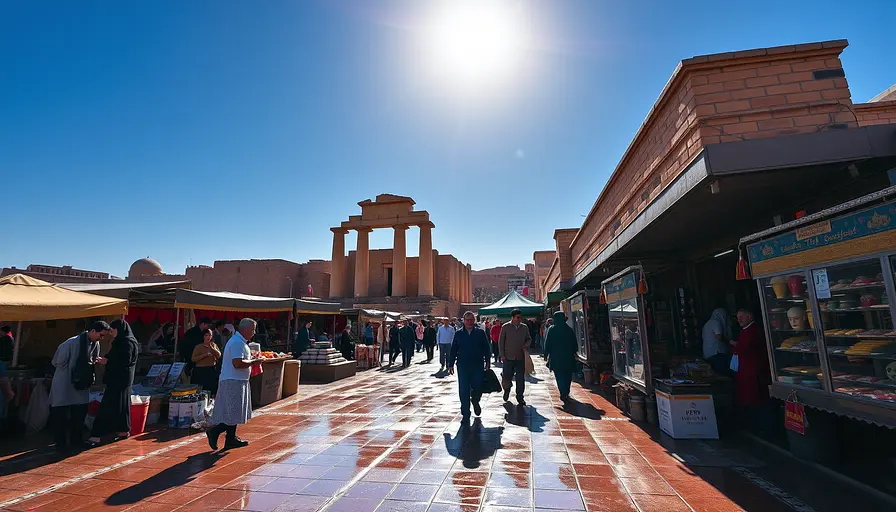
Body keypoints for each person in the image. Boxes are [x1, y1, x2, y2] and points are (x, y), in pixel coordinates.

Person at [50, 321, 110, 452]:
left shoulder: (95, 344)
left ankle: (76, 440)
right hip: (65, 382)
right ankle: (60, 443)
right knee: (60, 414)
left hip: (82, 384)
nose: (102, 338)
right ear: (93, 331)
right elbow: (58, 362)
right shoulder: (70, 343)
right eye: (101, 335)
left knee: (79, 413)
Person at [207, 318, 258, 450]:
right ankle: (215, 431)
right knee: (232, 412)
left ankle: (231, 438)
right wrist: (254, 362)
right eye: (253, 329)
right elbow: (237, 363)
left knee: (235, 411)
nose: (254, 332)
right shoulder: (237, 343)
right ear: (245, 329)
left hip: (237, 380)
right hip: (232, 380)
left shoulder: (241, 342)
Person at [87, 320, 139, 446]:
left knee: (107, 405)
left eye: (112, 330)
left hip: (119, 379)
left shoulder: (127, 343)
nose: (111, 333)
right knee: (121, 405)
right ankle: (123, 430)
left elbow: (124, 361)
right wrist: (106, 359)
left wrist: (107, 362)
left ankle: (96, 435)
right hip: (122, 379)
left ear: (119, 329)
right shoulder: (123, 341)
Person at [731, 309, 772, 431]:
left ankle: (762, 427)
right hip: (746, 371)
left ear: (749, 317)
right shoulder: (746, 331)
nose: (739, 320)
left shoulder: (753, 330)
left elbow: (745, 348)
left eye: (741, 317)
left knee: (757, 399)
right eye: (738, 317)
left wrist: (733, 344)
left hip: (754, 372)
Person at [448, 311, 491, 421]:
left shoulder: (480, 333)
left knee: (478, 386)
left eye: (471, 320)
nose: (469, 322)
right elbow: (453, 349)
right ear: (463, 320)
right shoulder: (458, 334)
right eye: (467, 320)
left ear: (474, 320)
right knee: (463, 389)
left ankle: (475, 400)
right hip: (463, 365)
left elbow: (486, 347)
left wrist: (488, 361)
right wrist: (451, 364)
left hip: (477, 364)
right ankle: (465, 412)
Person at [498, 309, 532, 406]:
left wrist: (526, 345)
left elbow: (529, 338)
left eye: (521, 317)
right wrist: (502, 354)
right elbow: (501, 342)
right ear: (512, 317)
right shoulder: (505, 327)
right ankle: (507, 390)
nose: (519, 319)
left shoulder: (524, 327)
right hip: (508, 357)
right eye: (518, 317)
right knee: (507, 376)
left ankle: (520, 397)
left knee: (520, 378)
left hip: (520, 357)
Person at [543, 311, 578, 403]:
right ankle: (566, 391)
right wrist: (574, 352)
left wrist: (546, 354)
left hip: (556, 357)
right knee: (568, 375)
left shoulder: (551, 329)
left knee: (559, 376)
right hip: (568, 357)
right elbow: (574, 344)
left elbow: (547, 342)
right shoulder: (569, 329)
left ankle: (563, 393)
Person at [191, 328, 222, 395]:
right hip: (201, 371)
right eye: (206, 335)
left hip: (211, 369)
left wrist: (214, 350)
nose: (208, 337)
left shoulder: (214, 345)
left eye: (210, 335)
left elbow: (219, 355)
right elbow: (193, 359)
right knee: (202, 390)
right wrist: (205, 355)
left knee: (212, 389)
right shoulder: (198, 347)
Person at [702, 308, 732, 376]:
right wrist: (730, 342)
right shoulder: (716, 322)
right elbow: (719, 336)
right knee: (722, 374)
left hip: (708, 354)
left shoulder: (708, 323)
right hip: (716, 354)